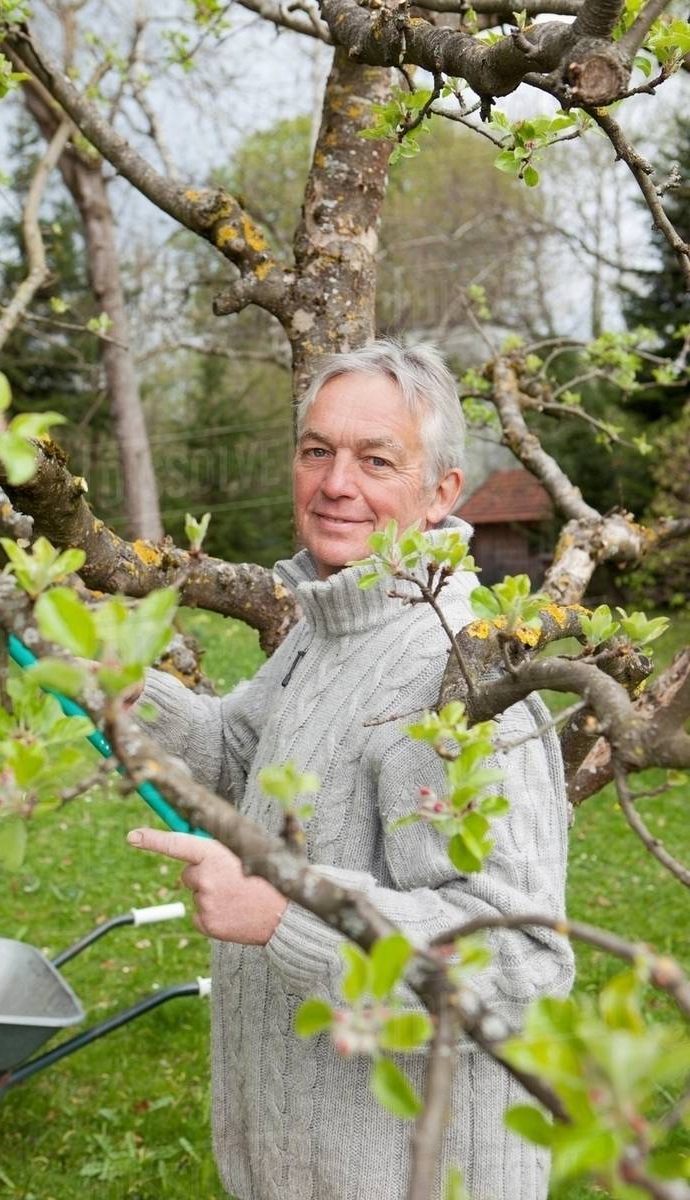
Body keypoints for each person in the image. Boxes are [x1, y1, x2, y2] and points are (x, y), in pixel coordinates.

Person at [128, 339, 573, 1200]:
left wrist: (284, 915)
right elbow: (238, 759)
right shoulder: (331, 624)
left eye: (377, 460)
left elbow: (519, 960)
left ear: (444, 491)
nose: (337, 484)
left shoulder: (460, 674)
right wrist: (118, 692)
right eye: (317, 451)